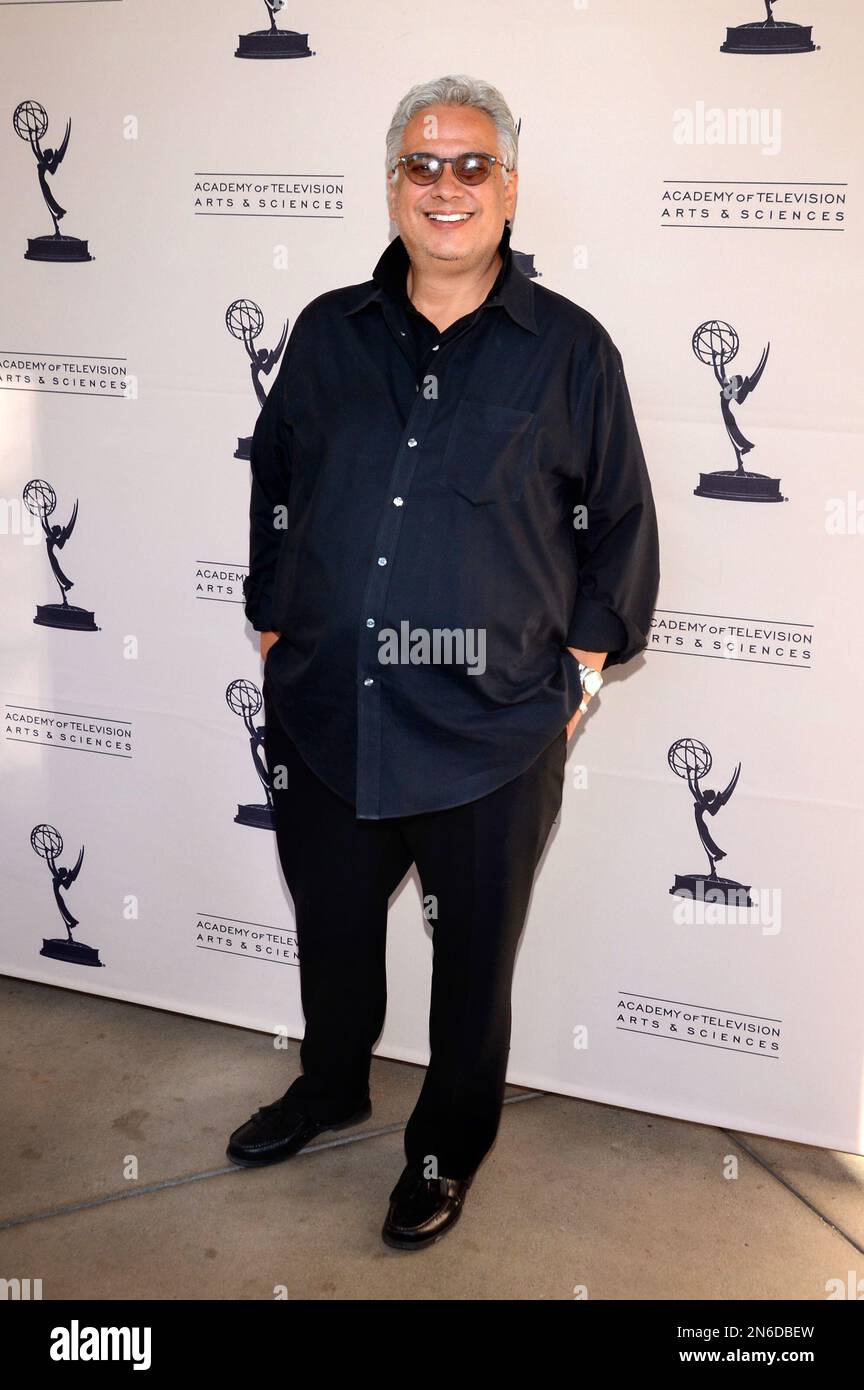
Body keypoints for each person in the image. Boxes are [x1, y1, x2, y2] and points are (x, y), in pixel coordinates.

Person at [229, 74, 660, 1251]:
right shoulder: (327, 333)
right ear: (393, 187)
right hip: (329, 713)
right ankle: (330, 1085)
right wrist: (273, 615)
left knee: (472, 974)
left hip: (488, 733)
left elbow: (617, 523)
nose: (446, 186)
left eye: (472, 165)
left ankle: (441, 1147)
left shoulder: (570, 350)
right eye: (423, 165)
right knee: (331, 930)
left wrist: (578, 670)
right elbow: (277, 477)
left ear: (510, 188)